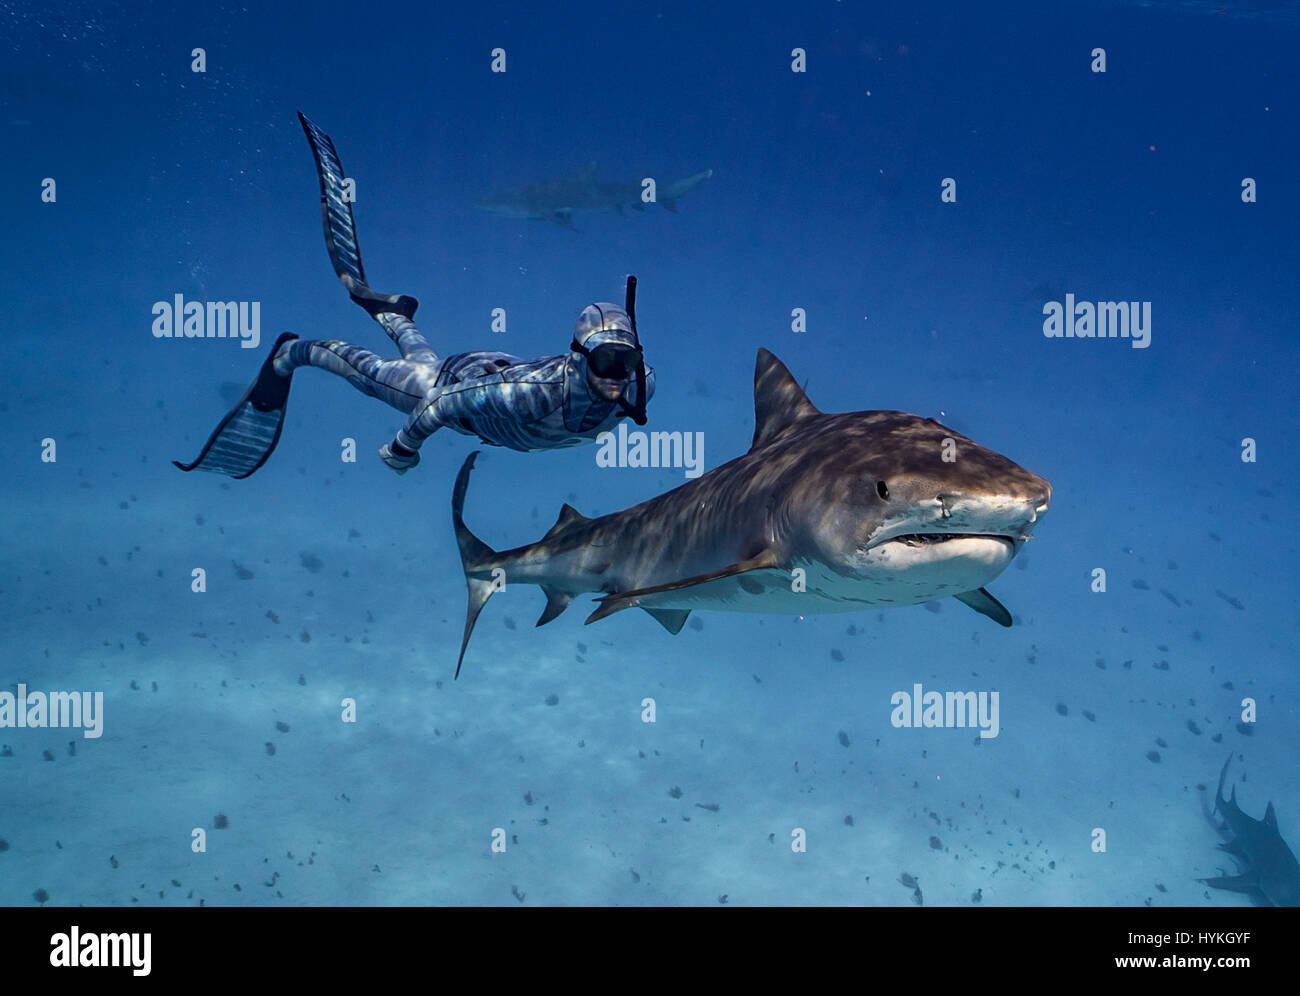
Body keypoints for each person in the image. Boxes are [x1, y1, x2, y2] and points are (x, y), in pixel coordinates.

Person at [174, 111, 654, 480]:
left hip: (485, 372)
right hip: (459, 388)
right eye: (604, 361)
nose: (616, 376)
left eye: (625, 362)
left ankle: (395, 314)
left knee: (421, 361)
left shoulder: (642, 386)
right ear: (578, 357)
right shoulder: (530, 397)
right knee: (383, 378)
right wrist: (402, 450)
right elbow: (441, 403)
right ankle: (292, 352)